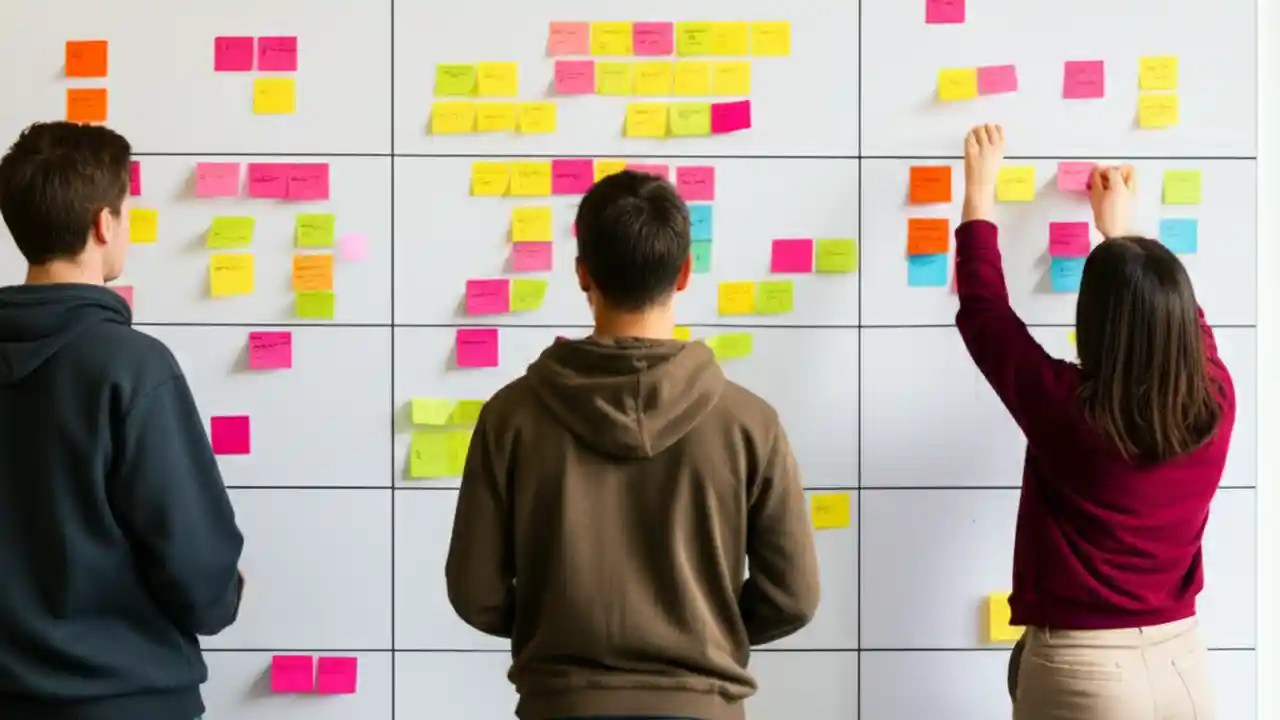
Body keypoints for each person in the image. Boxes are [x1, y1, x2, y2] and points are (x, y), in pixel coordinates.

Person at [445, 170, 821, 720]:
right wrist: (705, 627)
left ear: (582, 274)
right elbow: (794, 597)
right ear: (686, 272)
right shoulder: (750, 422)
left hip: (561, 706)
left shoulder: (511, 416)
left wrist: (558, 621)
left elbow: (474, 591)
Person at [956, 124, 1234, 719]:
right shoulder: (1216, 400)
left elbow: (985, 317)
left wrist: (979, 193)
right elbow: (1184, 325)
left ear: (1094, 323)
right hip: (1185, 666)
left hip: (1085, 673)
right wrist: (1125, 233)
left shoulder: (1069, 411)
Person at [0, 121, 245, 720]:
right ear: (103, 224)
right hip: (126, 698)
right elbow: (197, 564)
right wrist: (225, 593)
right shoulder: (131, 367)